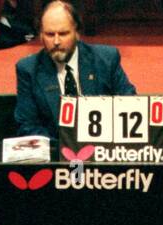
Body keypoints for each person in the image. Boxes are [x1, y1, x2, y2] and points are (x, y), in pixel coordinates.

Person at [14, 1, 136, 140]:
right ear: (41, 35)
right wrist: (66, 149)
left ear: (77, 33)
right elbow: (27, 126)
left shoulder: (106, 60)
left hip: (102, 150)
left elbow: (129, 104)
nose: (56, 41)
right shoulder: (28, 69)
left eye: (63, 33)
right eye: (49, 34)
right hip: (58, 155)